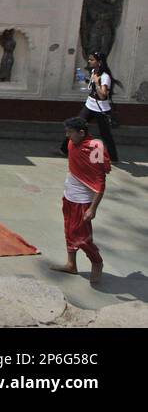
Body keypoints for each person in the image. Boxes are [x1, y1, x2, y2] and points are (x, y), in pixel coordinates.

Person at [50, 117, 111, 285]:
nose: (67, 136)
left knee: (82, 237)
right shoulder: (72, 143)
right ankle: (71, 264)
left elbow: (100, 180)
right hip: (69, 194)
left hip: (83, 200)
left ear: (81, 132)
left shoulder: (95, 147)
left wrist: (93, 208)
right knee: (69, 230)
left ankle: (97, 262)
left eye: (70, 132)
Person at [60, 51, 119, 162]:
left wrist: (97, 83)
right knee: (75, 126)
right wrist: (85, 79)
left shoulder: (105, 77)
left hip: (100, 109)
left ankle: (113, 157)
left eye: (92, 60)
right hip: (89, 105)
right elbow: (91, 86)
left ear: (99, 62)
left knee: (105, 134)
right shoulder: (93, 71)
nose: (89, 61)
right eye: (90, 59)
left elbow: (102, 95)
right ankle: (64, 150)